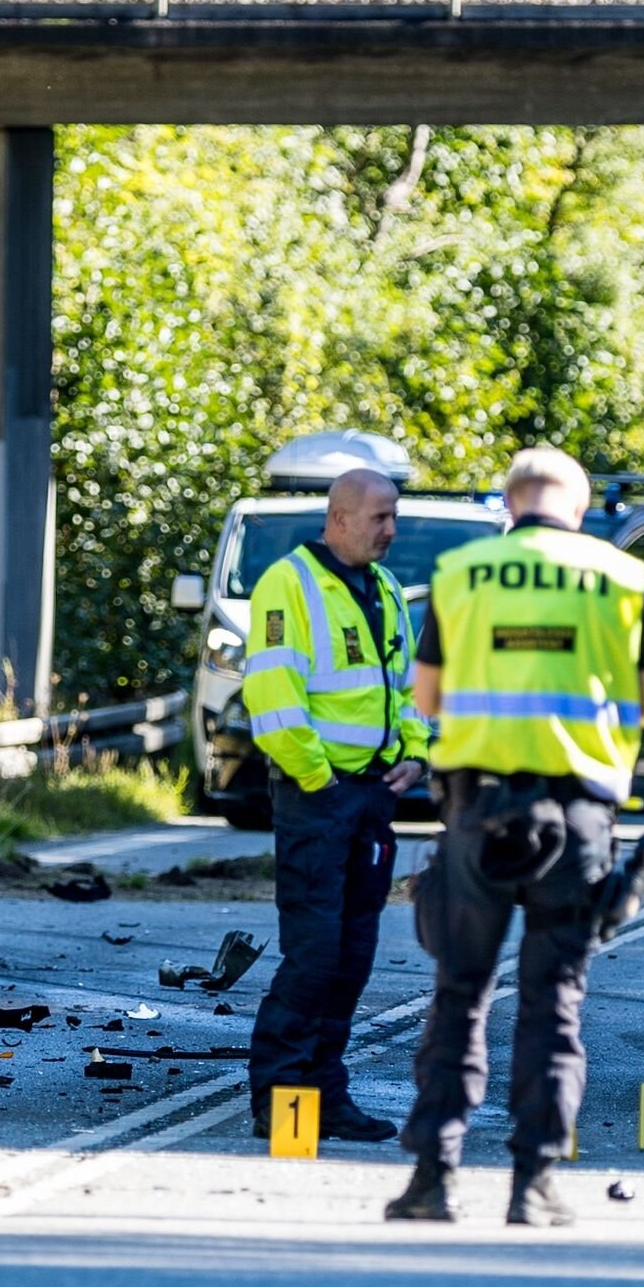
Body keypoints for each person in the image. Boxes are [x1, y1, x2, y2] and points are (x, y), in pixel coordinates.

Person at [387, 447, 644, 1228]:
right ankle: (532, 1184)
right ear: (578, 510)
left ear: (510, 506)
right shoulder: (617, 575)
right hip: (575, 818)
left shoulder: (463, 572)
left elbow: (429, 693)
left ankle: (431, 1179)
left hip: (476, 812)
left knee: (458, 996)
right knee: (554, 1006)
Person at [240, 468, 429, 1147]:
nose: (391, 530)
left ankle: (326, 1092)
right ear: (340, 518)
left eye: (393, 516)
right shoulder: (287, 585)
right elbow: (272, 695)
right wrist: (319, 779)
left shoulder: (381, 589)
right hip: (317, 796)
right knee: (314, 953)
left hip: (374, 795)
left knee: (353, 955)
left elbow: (401, 688)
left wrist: (415, 751)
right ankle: (281, 1096)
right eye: (380, 517)